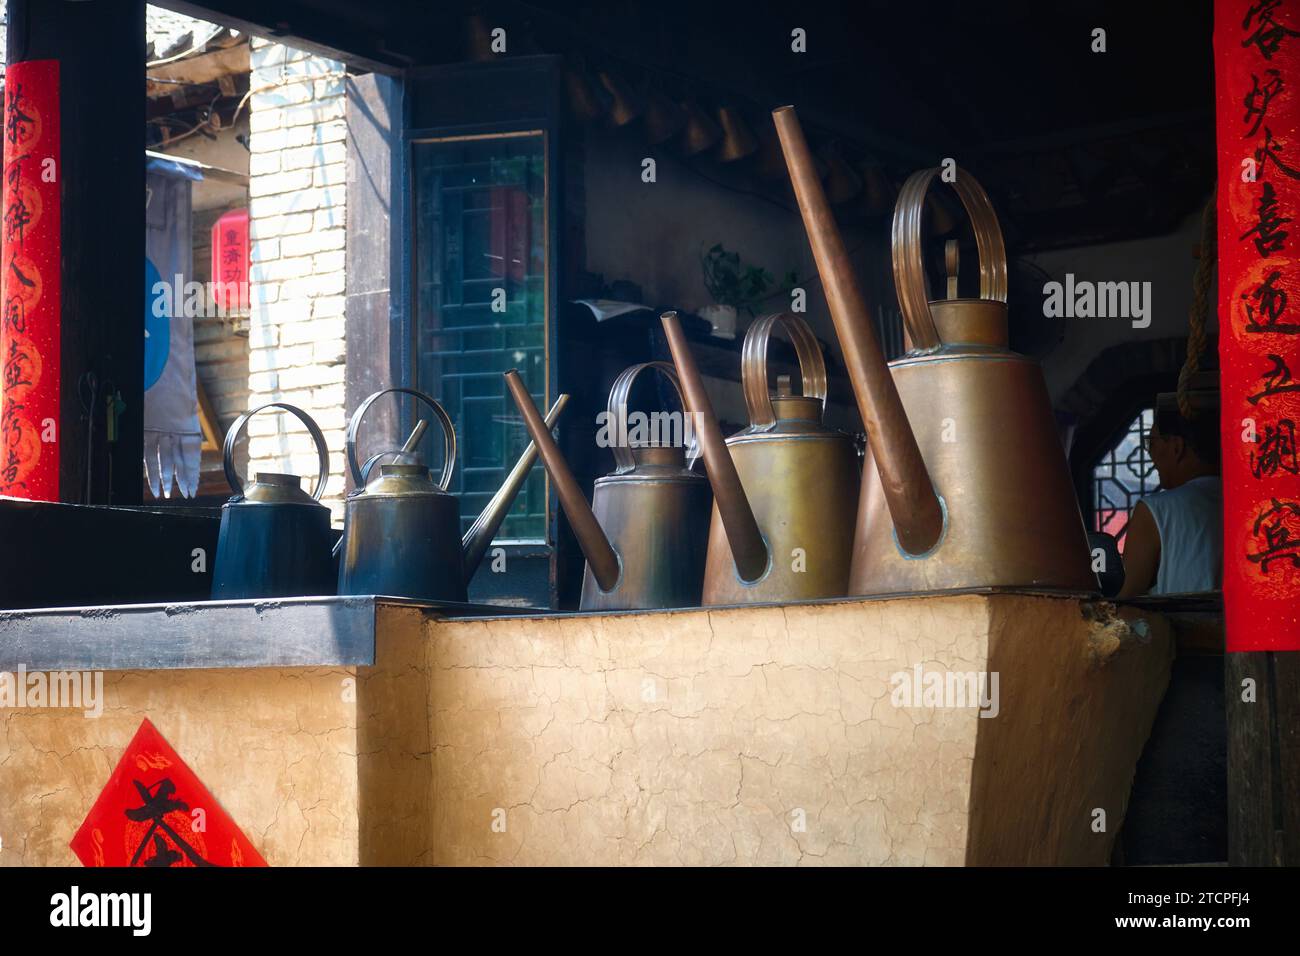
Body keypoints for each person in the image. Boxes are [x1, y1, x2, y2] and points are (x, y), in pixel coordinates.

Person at [1118, 404, 1222, 597]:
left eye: (1151, 443)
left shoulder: (1155, 511)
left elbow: (1125, 603)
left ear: (1176, 447)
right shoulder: (1257, 505)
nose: (1150, 453)